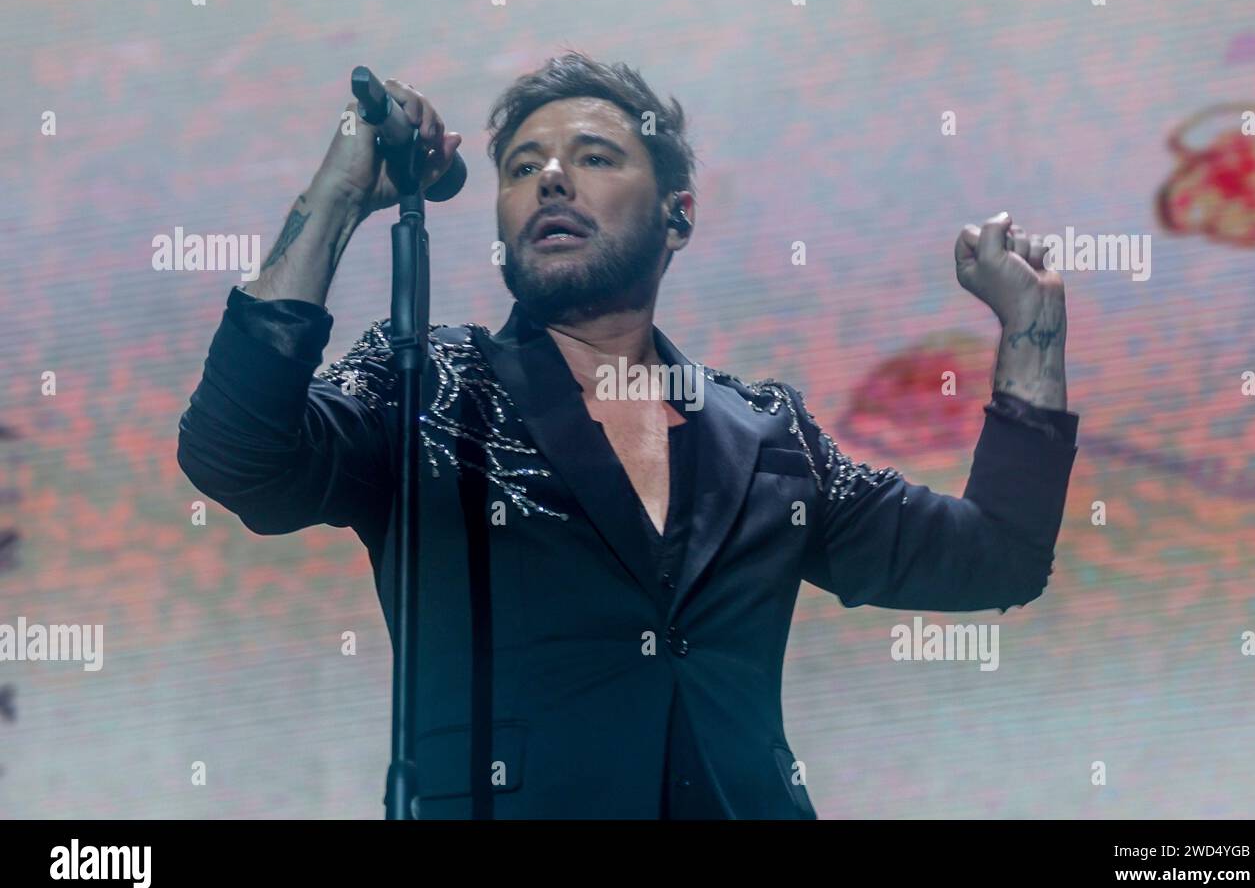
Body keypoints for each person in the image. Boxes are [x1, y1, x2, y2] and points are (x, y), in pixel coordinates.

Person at [177, 52, 1078, 819]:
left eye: (594, 156)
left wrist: (1031, 329)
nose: (552, 179)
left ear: (679, 215)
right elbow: (236, 455)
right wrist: (338, 198)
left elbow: (997, 557)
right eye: (523, 167)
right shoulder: (428, 383)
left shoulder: (768, 432)